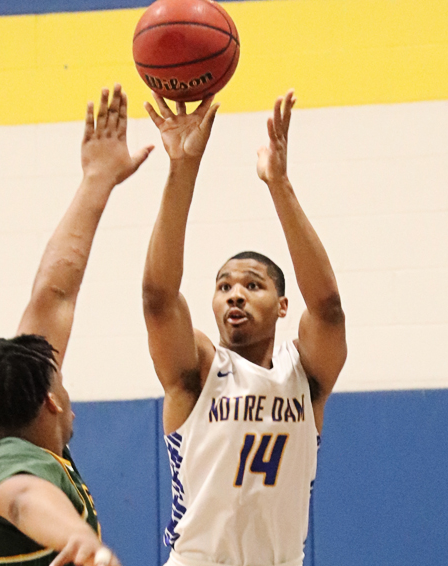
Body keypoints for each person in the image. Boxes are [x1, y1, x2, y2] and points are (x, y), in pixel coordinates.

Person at [0, 84, 153, 566]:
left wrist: (97, 180)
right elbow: (22, 497)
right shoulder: (9, 459)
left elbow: (52, 296)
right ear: (51, 401)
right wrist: (81, 539)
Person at [142, 89, 348, 566]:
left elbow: (329, 309)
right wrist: (182, 169)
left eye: (252, 285)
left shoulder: (306, 376)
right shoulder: (196, 370)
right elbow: (157, 299)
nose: (234, 294)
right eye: (223, 286)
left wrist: (279, 184)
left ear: (280, 307)